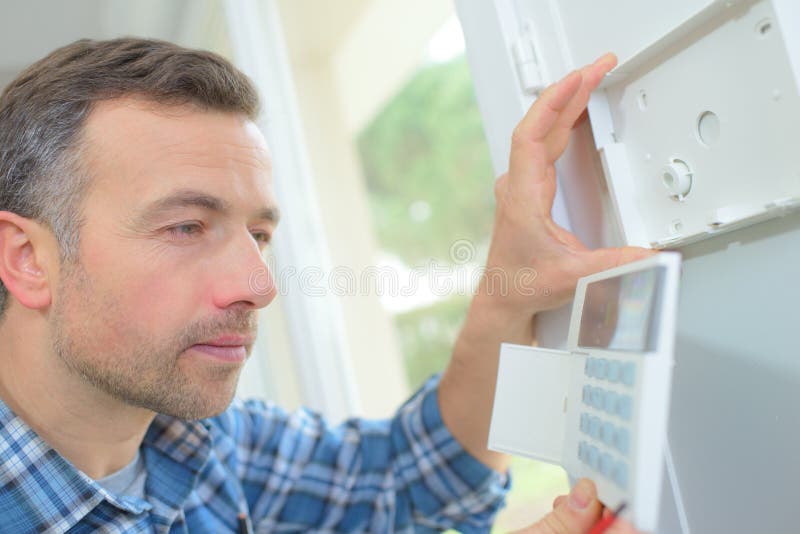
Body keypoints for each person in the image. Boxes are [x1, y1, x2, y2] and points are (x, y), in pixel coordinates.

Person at [0, 38, 647, 533]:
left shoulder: (199, 441)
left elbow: (409, 478)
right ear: (28, 258)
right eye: (186, 227)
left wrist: (511, 290)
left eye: (258, 235)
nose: (258, 285)